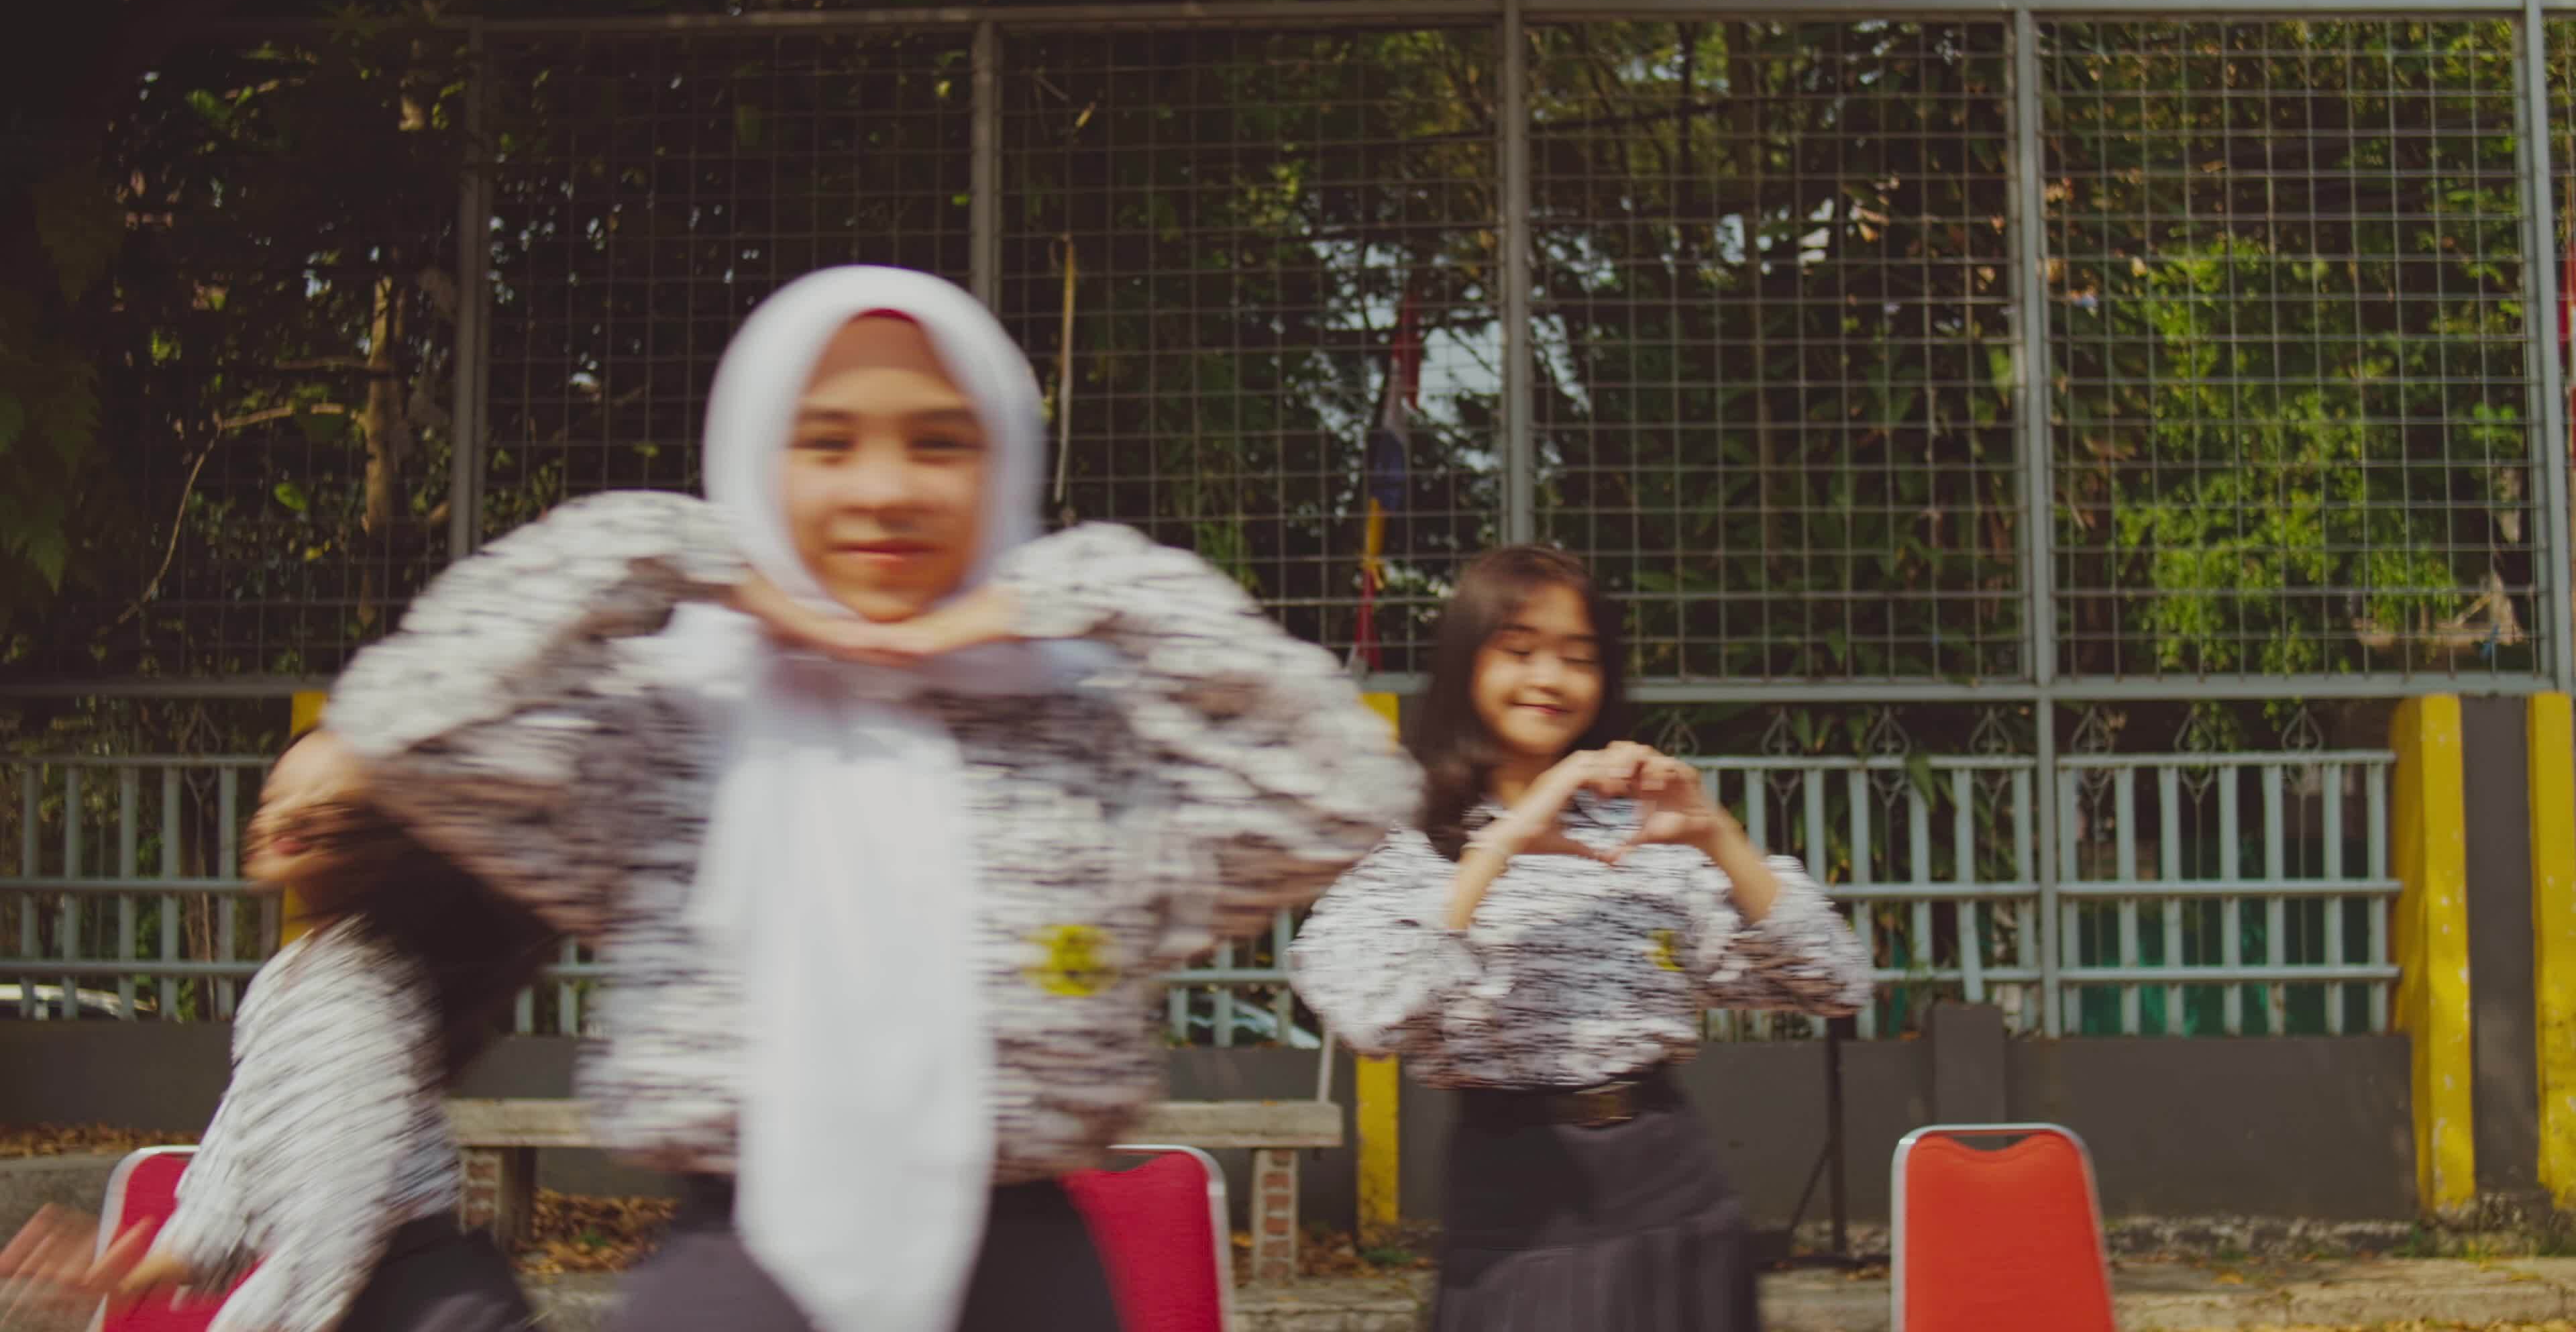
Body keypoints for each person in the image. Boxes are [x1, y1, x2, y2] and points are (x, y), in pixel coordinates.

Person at [317, 266, 1419, 1332]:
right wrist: (696, 557)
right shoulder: (669, 736)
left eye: (941, 441)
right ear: (754, 458)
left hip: (1030, 1277)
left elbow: (1348, 785)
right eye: (824, 441)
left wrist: (1060, 595)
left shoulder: (1093, 737)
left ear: (1004, 465)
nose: (884, 489)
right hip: (741, 1282)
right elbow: (406, 721)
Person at [1287, 545, 1873, 1332]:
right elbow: (1373, 1017)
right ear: (1466, 665)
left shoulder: (1648, 836)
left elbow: (1836, 982)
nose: (1549, 680)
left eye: (1578, 657)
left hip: (1671, 1185)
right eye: (1519, 651)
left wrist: (1719, 837)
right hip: (1515, 1196)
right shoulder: (1406, 850)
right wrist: (1499, 846)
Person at [0, 729, 553, 1332]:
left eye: (322, 799)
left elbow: (324, 1246)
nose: (284, 815)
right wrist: (135, 1271)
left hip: (416, 1307)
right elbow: (236, 1158)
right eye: (273, 798)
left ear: (386, 831)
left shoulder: (356, 994)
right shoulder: (293, 975)